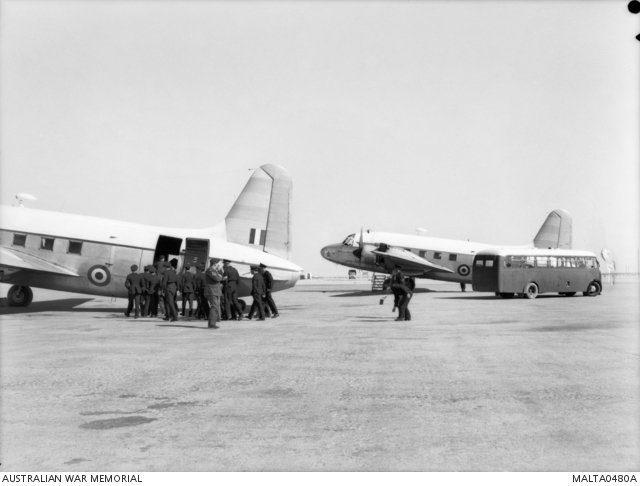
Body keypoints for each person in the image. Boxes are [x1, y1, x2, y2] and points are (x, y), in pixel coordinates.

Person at [204, 258, 225, 328]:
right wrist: (220, 277)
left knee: (215, 307)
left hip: (215, 291)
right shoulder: (210, 270)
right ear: (215, 264)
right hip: (211, 291)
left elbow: (219, 277)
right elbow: (217, 278)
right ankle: (211, 323)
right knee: (214, 306)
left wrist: (219, 276)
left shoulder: (214, 271)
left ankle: (213, 322)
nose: (218, 265)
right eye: (217, 263)